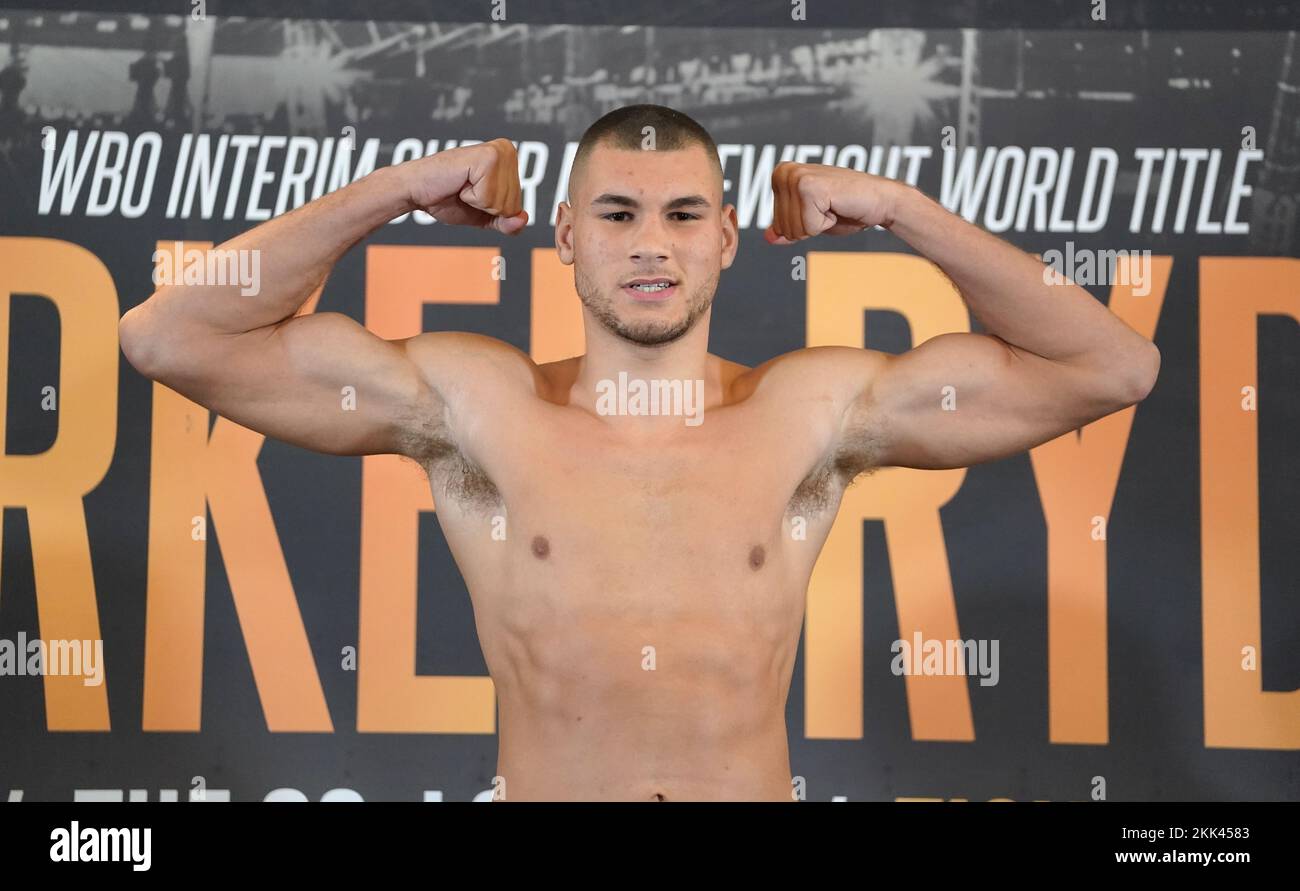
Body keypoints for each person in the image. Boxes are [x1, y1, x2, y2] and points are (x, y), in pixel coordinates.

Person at [119, 104, 1159, 801]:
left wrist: (901, 211)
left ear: (726, 236)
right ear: (566, 234)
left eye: (681, 214)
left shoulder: (812, 412)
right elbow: (168, 338)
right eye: (616, 215)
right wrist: (398, 187)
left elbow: (1111, 368)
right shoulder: (475, 405)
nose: (650, 244)